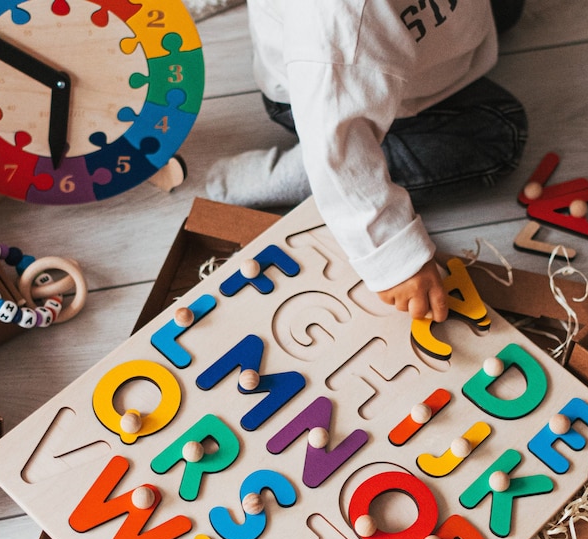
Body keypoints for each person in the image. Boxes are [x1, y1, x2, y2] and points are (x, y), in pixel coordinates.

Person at [206, 0, 527, 323]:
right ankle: (311, 173)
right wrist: (396, 259)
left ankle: (340, 167)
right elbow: (334, 132)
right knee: (501, 133)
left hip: (389, 50)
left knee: (508, 11)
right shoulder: (334, 21)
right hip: (329, 106)